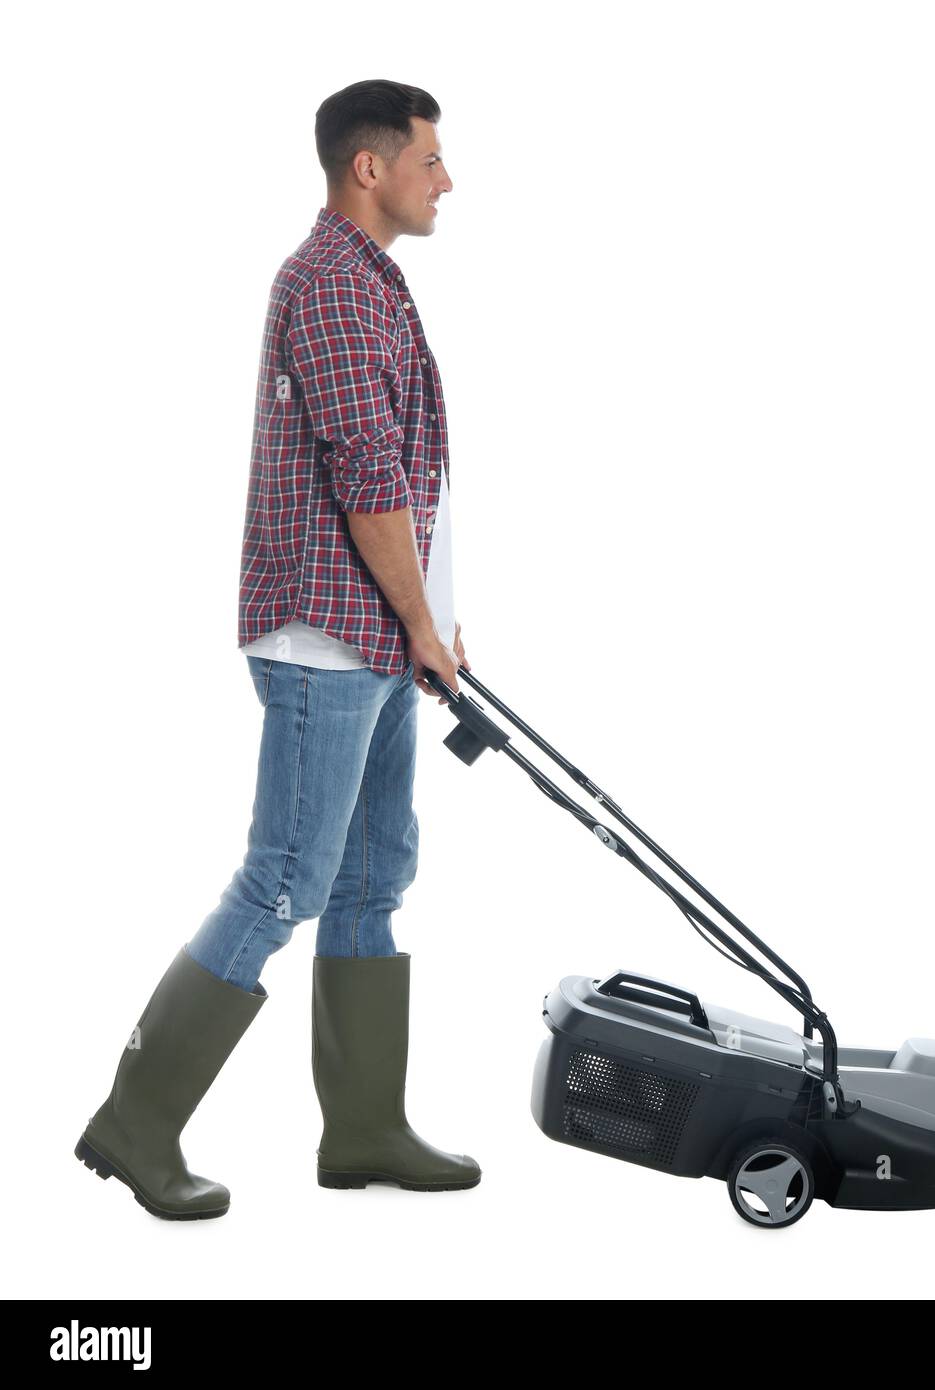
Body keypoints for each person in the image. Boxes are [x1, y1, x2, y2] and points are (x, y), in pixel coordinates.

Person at [75, 79, 480, 1219]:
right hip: (328, 640)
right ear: (370, 167)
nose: (445, 179)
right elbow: (365, 478)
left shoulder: (373, 282)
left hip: (385, 641)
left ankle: (363, 1131)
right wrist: (415, 623)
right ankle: (135, 1122)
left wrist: (434, 627)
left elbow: (409, 471)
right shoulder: (332, 287)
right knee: (286, 879)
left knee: (370, 878)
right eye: (431, 160)